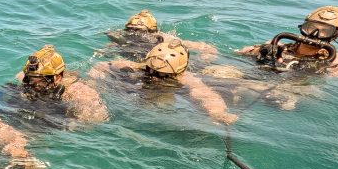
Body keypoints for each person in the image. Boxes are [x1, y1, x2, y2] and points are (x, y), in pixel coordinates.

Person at [89, 38, 239, 125]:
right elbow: (102, 65)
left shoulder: (186, 78)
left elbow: (205, 95)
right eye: (150, 70)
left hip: (165, 94)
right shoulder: (139, 66)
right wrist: (94, 82)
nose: (154, 76)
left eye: (161, 74)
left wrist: (218, 113)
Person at [0, 45, 109, 130]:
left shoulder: (78, 91)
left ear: (57, 78)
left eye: (40, 82)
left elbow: (97, 119)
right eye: (29, 79)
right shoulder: (23, 78)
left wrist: (65, 112)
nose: (33, 85)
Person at [238, 5, 338, 77]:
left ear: (336, 35)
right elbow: (239, 53)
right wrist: (260, 51)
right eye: (310, 28)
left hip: (293, 89)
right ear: (303, 27)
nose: (314, 35)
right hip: (257, 76)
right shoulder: (278, 45)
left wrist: (320, 69)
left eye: (325, 31)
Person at [102, 10, 218, 63]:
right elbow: (107, 50)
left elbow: (206, 48)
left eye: (139, 30)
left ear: (153, 31)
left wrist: (205, 59)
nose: (134, 33)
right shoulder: (123, 39)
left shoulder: (165, 38)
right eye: (131, 30)